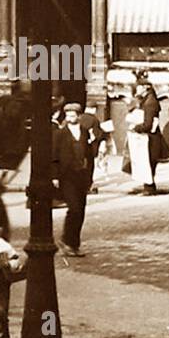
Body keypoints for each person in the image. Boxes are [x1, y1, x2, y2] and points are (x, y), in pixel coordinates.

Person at [52, 103, 95, 257]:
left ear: (79, 116)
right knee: (74, 208)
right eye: (68, 115)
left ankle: (74, 244)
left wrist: (90, 177)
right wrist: (55, 176)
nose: (70, 118)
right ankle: (66, 240)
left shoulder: (84, 132)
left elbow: (89, 156)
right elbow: (54, 156)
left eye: (73, 115)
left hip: (81, 175)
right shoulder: (60, 134)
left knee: (81, 210)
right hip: (66, 175)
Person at [124, 74, 169, 196]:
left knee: (148, 162)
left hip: (150, 138)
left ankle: (149, 188)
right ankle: (148, 186)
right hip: (150, 137)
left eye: (139, 87)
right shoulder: (148, 100)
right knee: (147, 162)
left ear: (146, 88)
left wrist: (135, 127)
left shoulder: (150, 103)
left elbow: (148, 124)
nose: (137, 90)